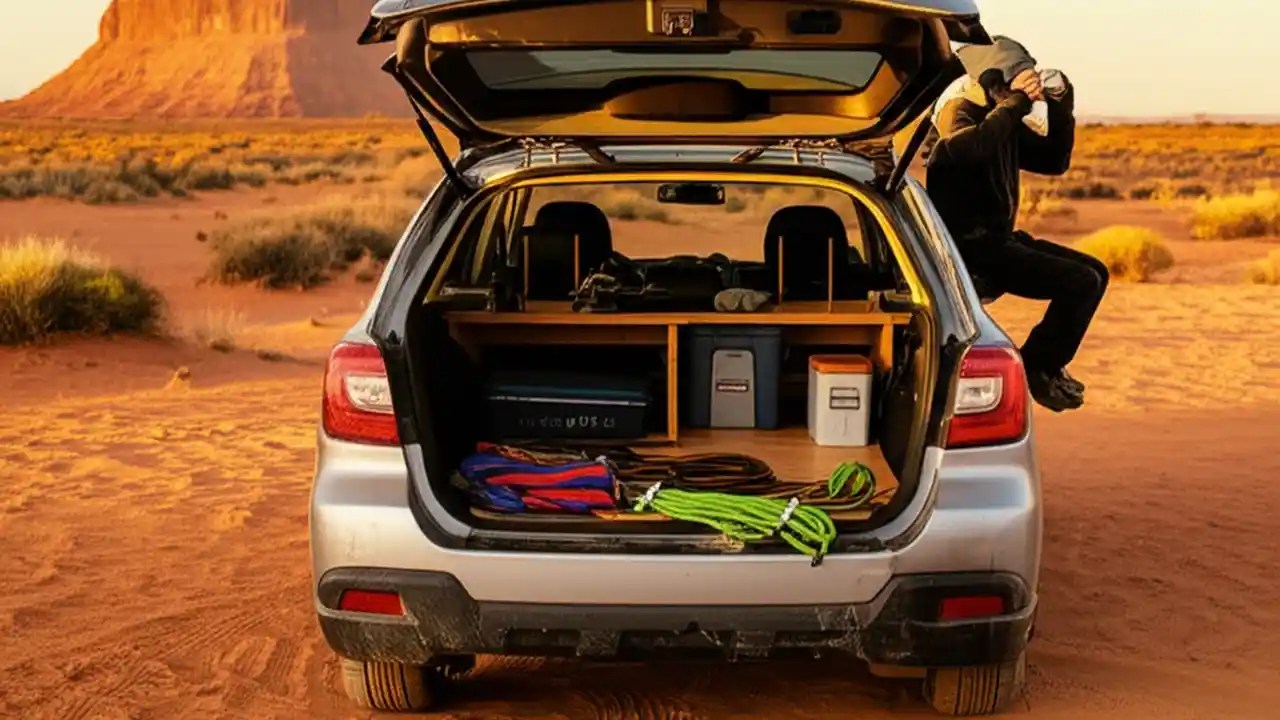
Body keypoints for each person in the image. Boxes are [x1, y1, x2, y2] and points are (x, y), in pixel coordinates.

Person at [927, 36, 1109, 412]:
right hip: (971, 249)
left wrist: (1060, 103)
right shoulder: (957, 110)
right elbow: (966, 148)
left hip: (997, 241)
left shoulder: (1000, 116)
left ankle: (1047, 365)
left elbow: (1053, 160)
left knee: (1096, 272)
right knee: (1081, 282)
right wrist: (1017, 101)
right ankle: (1039, 368)